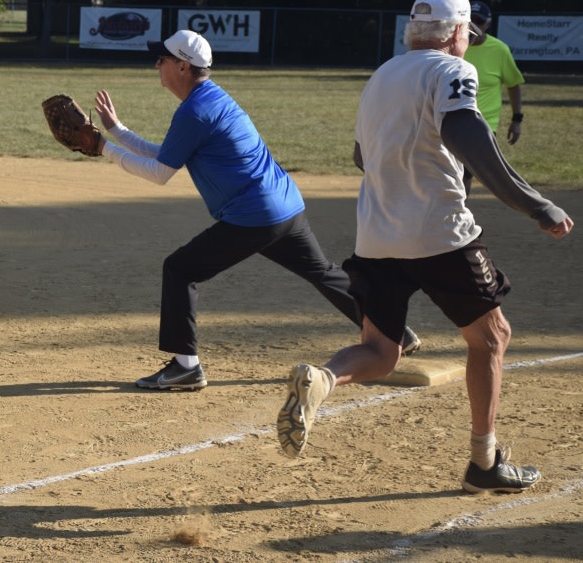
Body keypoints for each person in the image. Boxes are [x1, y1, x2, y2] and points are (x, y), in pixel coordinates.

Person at [276, 0, 574, 494]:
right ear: (458, 33)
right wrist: (534, 203)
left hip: (376, 234)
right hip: (439, 233)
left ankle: (322, 379)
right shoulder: (452, 71)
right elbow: (472, 144)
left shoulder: (382, 75)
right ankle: (483, 463)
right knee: (491, 338)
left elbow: (360, 156)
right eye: (467, 34)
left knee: (379, 351)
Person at [92, 29, 418, 392]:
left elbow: (159, 173)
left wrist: (102, 148)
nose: (157, 64)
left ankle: (186, 366)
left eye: (163, 59)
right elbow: (167, 153)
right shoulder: (208, 99)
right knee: (323, 273)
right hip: (284, 207)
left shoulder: (196, 111)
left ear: (182, 66)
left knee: (180, 269)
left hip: (254, 216)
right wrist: (115, 133)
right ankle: (393, 329)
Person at [461, 0, 525, 193]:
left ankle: (457, 214)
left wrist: (517, 119)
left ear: (487, 25)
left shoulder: (499, 50)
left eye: (478, 21)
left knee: (465, 172)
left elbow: (513, 85)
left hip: (484, 123)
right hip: (450, 117)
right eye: (469, 20)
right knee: (447, 171)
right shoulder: (453, 47)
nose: (473, 25)